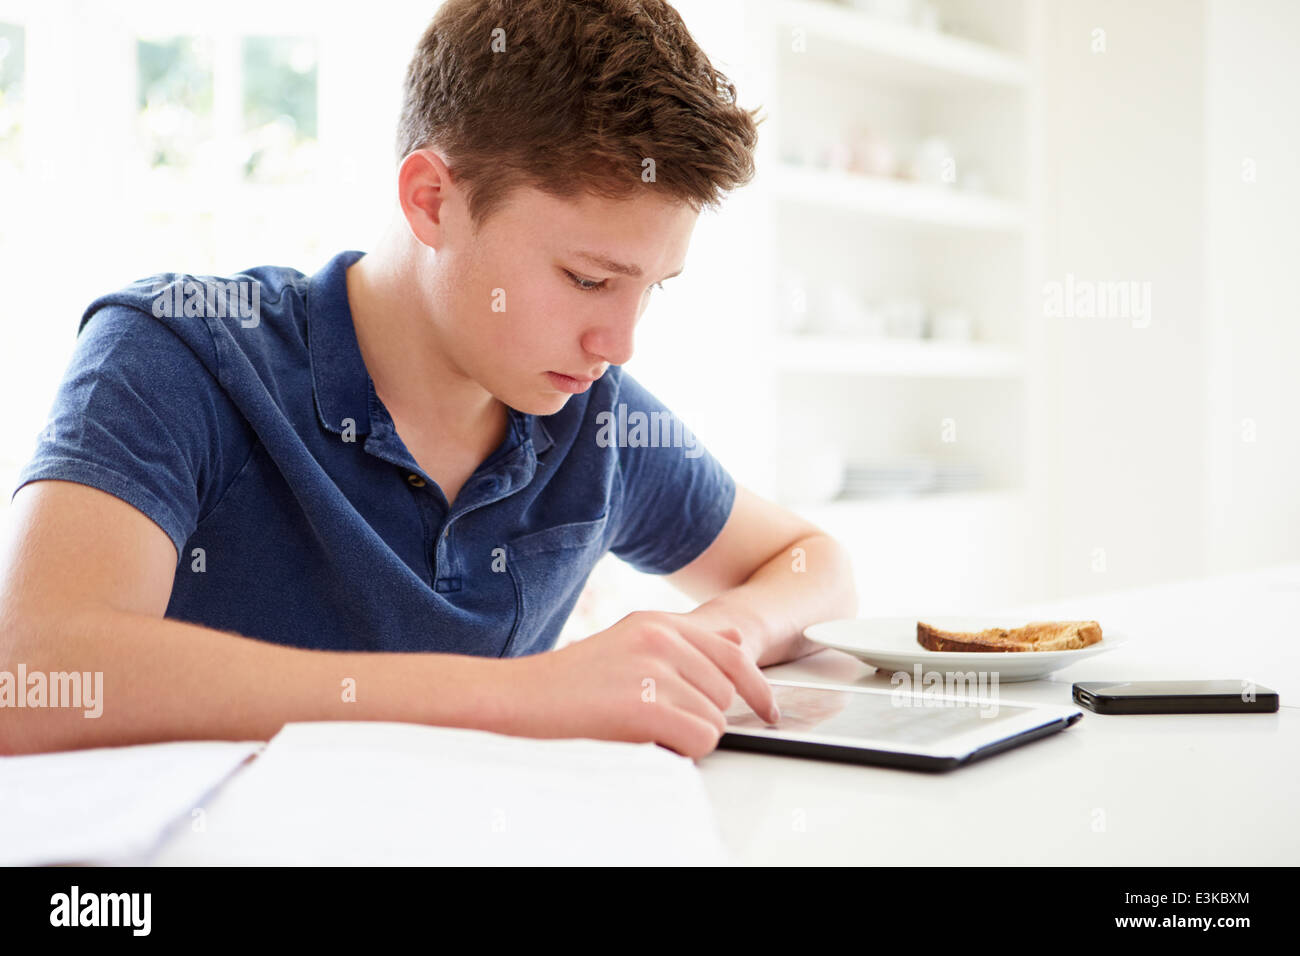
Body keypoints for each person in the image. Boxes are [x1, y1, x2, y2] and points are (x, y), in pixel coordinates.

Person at [0, 0, 856, 759]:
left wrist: (706, 642)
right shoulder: (177, 353)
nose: (619, 342)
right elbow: (31, 671)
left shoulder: (590, 416)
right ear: (431, 200)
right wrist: (527, 698)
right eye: (588, 280)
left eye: (651, 288)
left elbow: (811, 562)